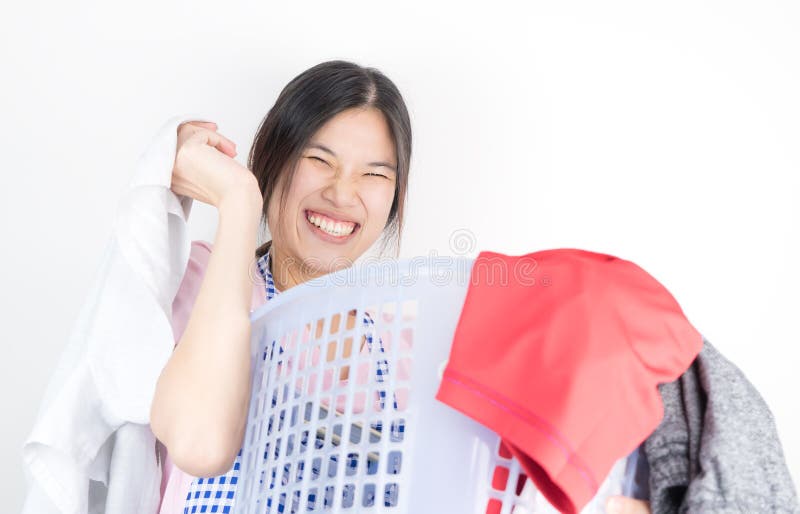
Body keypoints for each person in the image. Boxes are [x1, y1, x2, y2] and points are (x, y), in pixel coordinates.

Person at [148, 59, 650, 514]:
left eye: (373, 174)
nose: (342, 194)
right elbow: (199, 444)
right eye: (319, 160)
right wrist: (238, 201)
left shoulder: (408, 346)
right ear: (273, 158)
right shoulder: (201, 281)